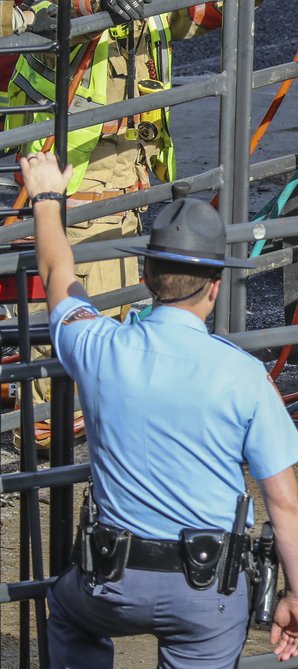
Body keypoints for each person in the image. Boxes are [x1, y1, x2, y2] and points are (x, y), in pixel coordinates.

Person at [20, 152, 298, 669]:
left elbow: (57, 274)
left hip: (110, 579)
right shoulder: (243, 375)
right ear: (216, 285)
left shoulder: (98, 345)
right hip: (205, 589)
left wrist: (46, 198)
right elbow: (284, 505)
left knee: (67, 609)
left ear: (147, 272)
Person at [4, 0, 225, 421]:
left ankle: (82, 425)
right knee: (79, 321)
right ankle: (54, 434)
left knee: (117, 317)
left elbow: (194, 16)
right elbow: (52, 20)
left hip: (122, 189)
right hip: (75, 187)